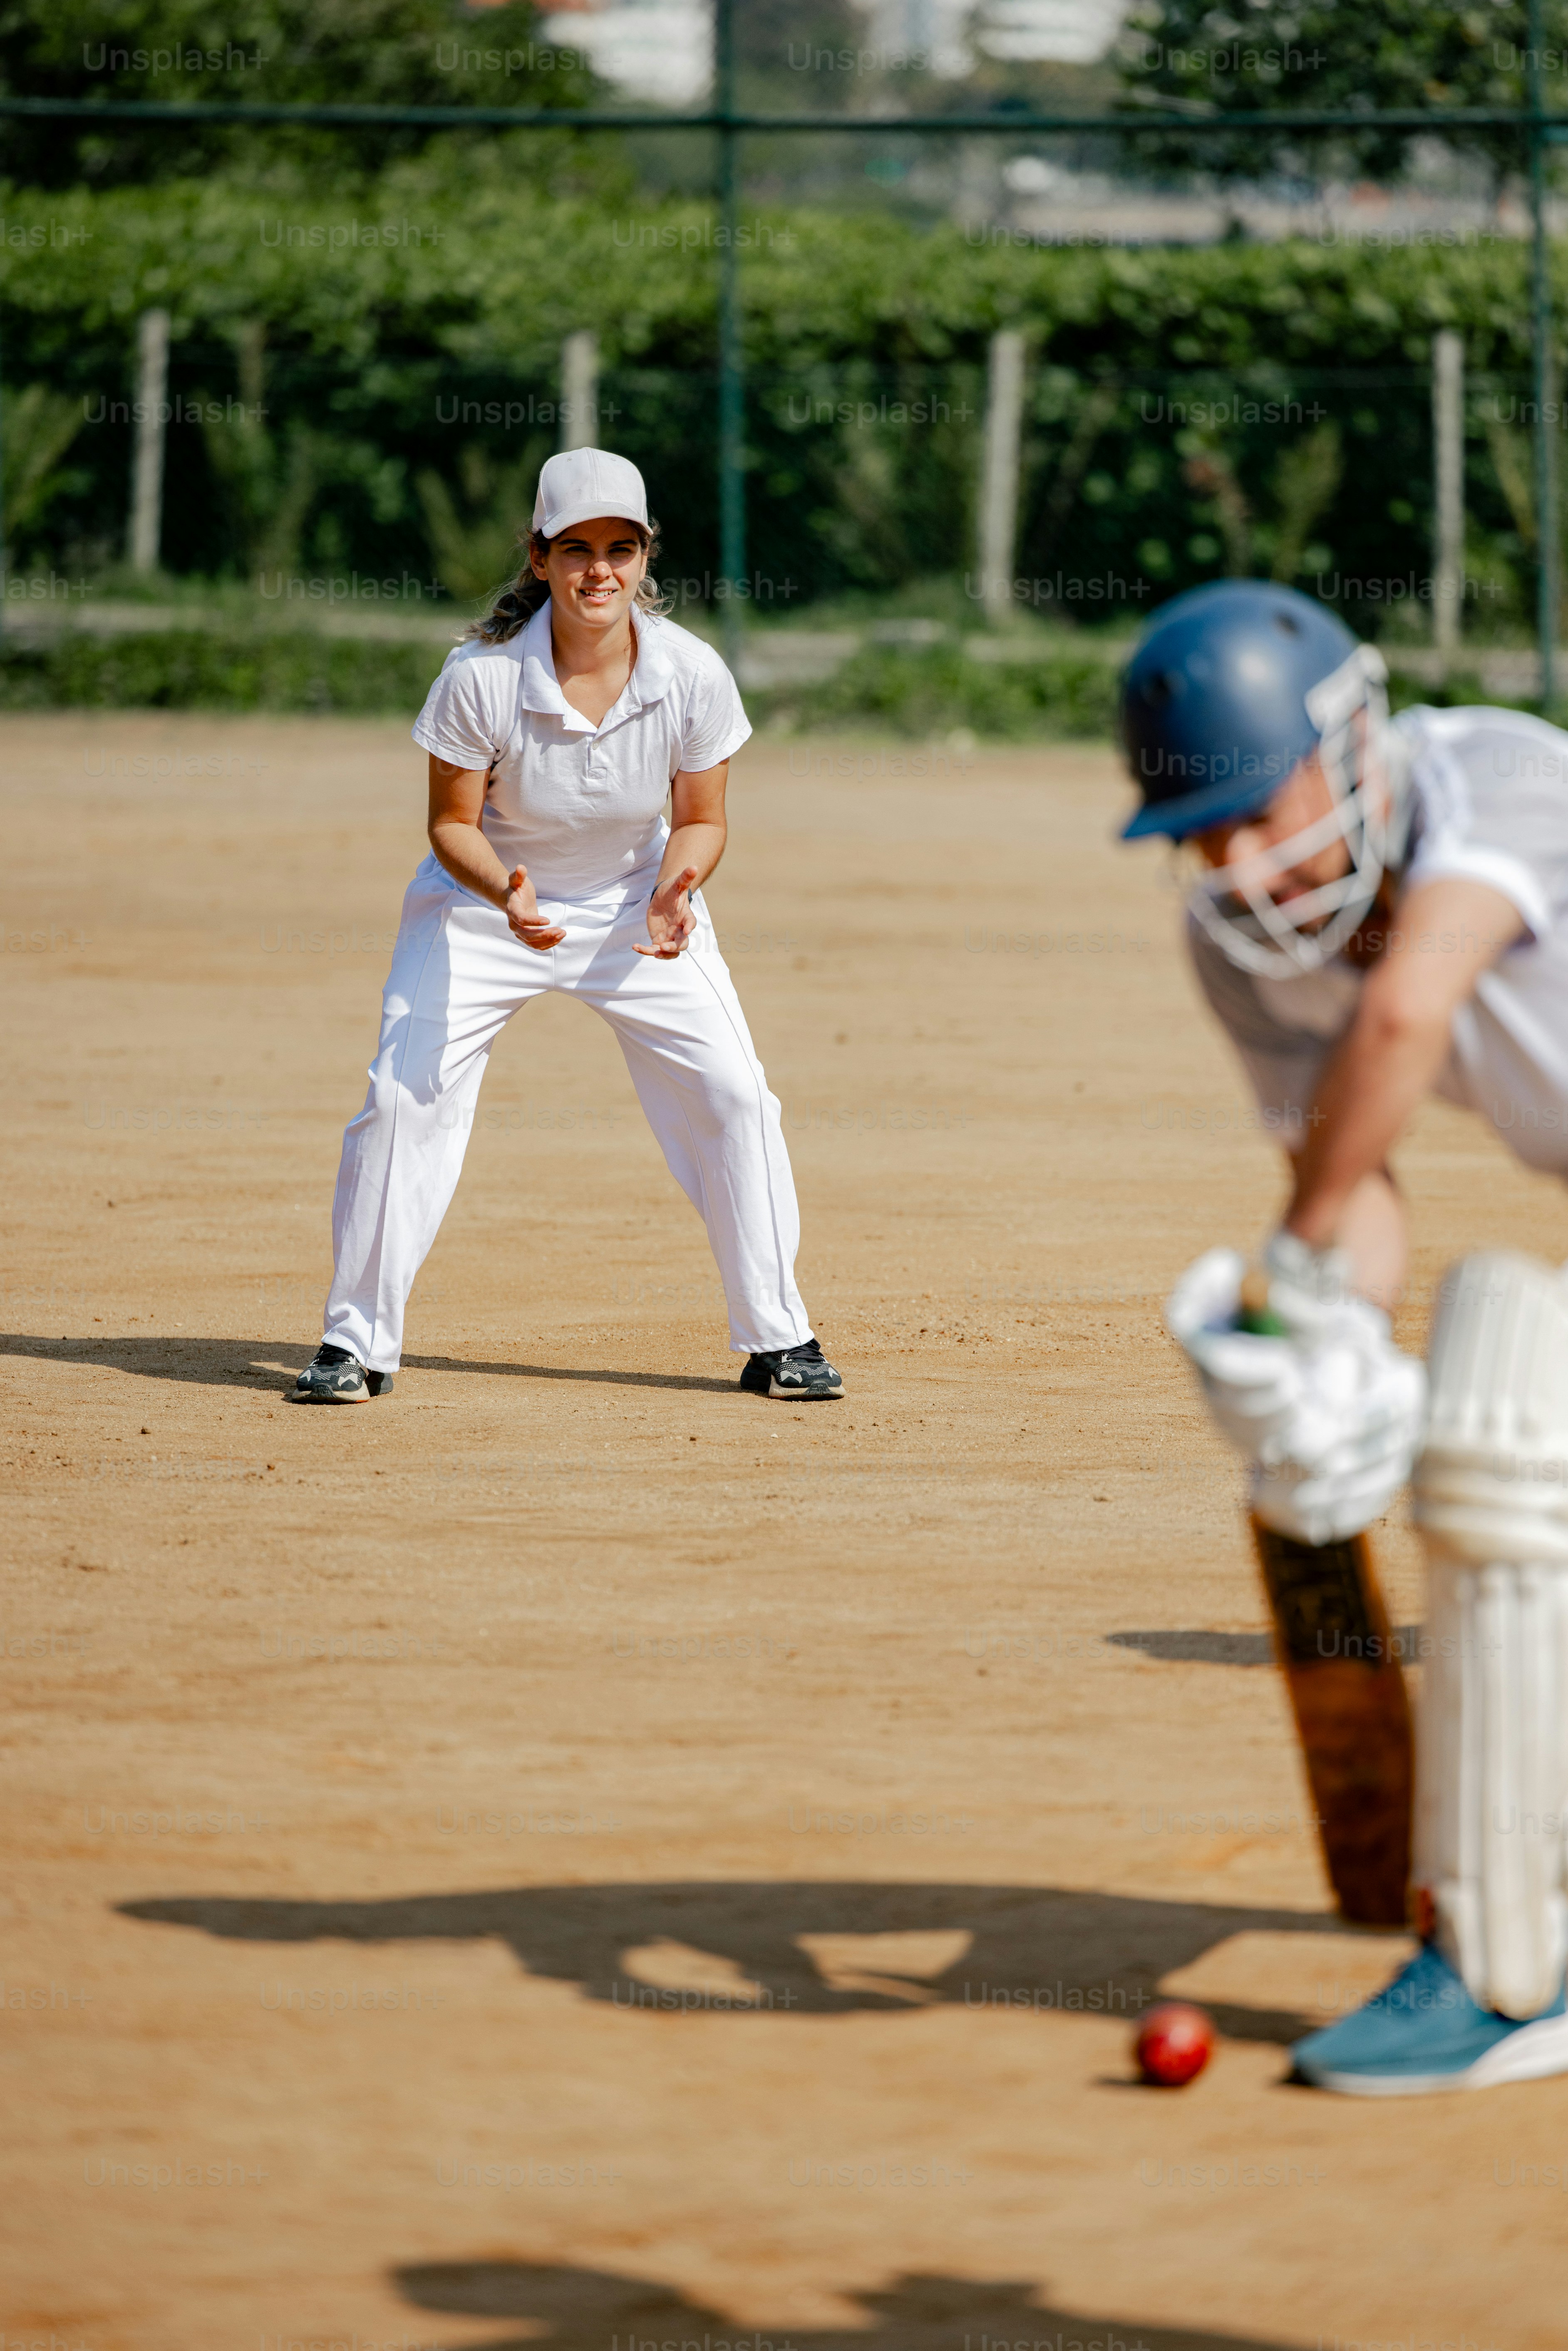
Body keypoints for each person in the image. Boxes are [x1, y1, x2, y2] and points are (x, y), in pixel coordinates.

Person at [1121, 578, 1568, 2094]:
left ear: (1354, 737)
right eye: (1204, 833)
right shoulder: (1237, 943)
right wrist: (1330, 1351)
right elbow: (1347, 1168)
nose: (1242, 863)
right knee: (1487, 1421)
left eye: (1262, 811)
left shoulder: (1496, 784)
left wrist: (1291, 1285)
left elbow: (1404, 1019)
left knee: (1505, 1422)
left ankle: (1519, 1968)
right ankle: (1509, 1941)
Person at [292, 447, 842, 1408]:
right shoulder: (482, 676)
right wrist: (507, 887)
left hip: (638, 904)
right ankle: (354, 1344)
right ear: (539, 556)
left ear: (645, 558)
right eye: (577, 548)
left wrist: (676, 892)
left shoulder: (690, 673)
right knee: (400, 1103)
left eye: (621, 549)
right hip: (482, 910)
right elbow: (450, 825)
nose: (601, 571)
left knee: (736, 1098)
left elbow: (703, 819)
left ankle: (780, 1337)